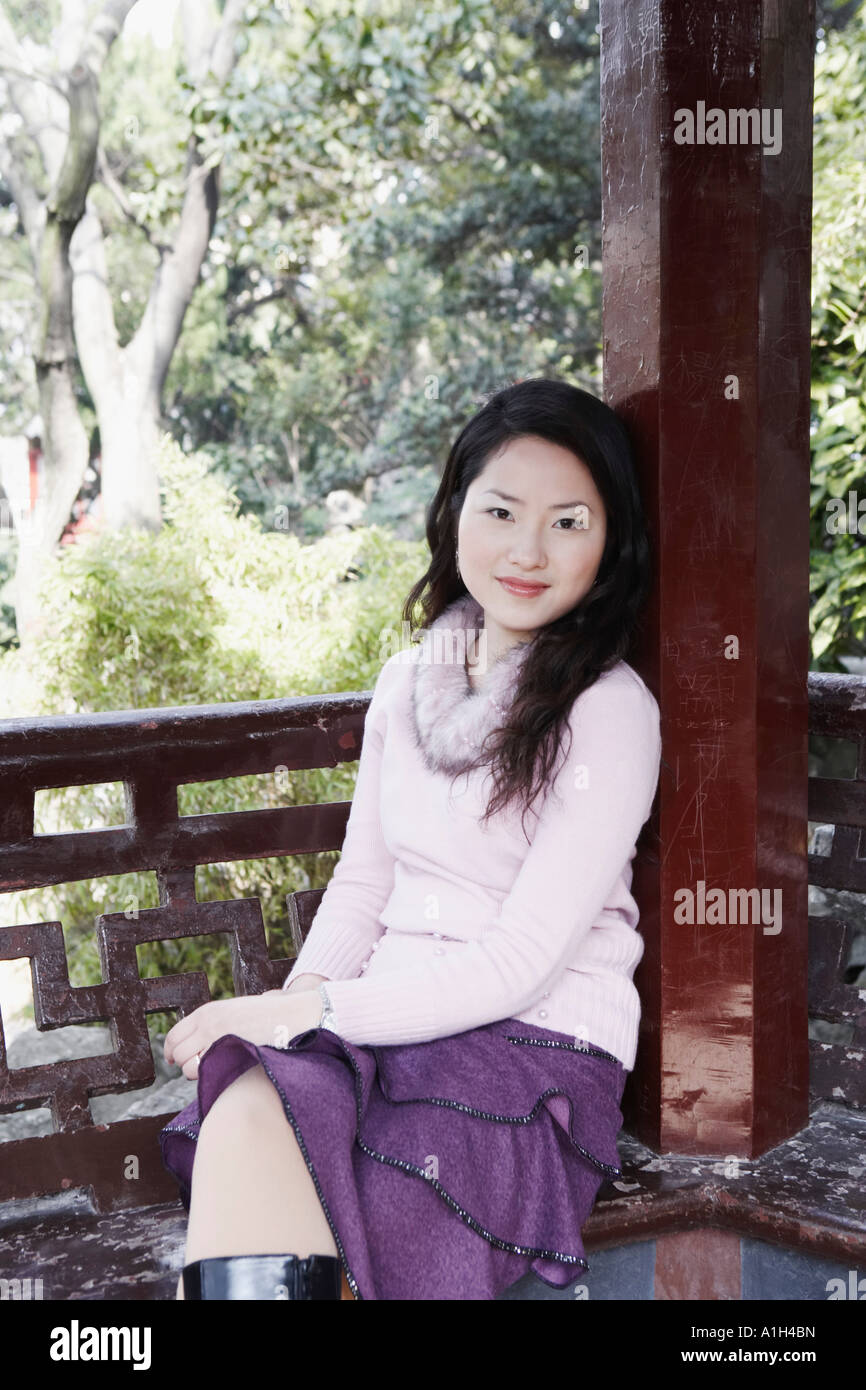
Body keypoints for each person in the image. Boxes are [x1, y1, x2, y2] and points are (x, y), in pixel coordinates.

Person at [158, 376, 662, 1301]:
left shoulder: (608, 709)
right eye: (502, 511)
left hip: (532, 1050)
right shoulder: (409, 679)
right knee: (249, 1099)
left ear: (611, 541)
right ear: (455, 511)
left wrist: (304, 1018)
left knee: (356, 1186)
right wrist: (299, 1009)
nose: (527, 550)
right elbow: (361, 888)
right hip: (389, 1026)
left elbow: (521, 963)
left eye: (568, 522)